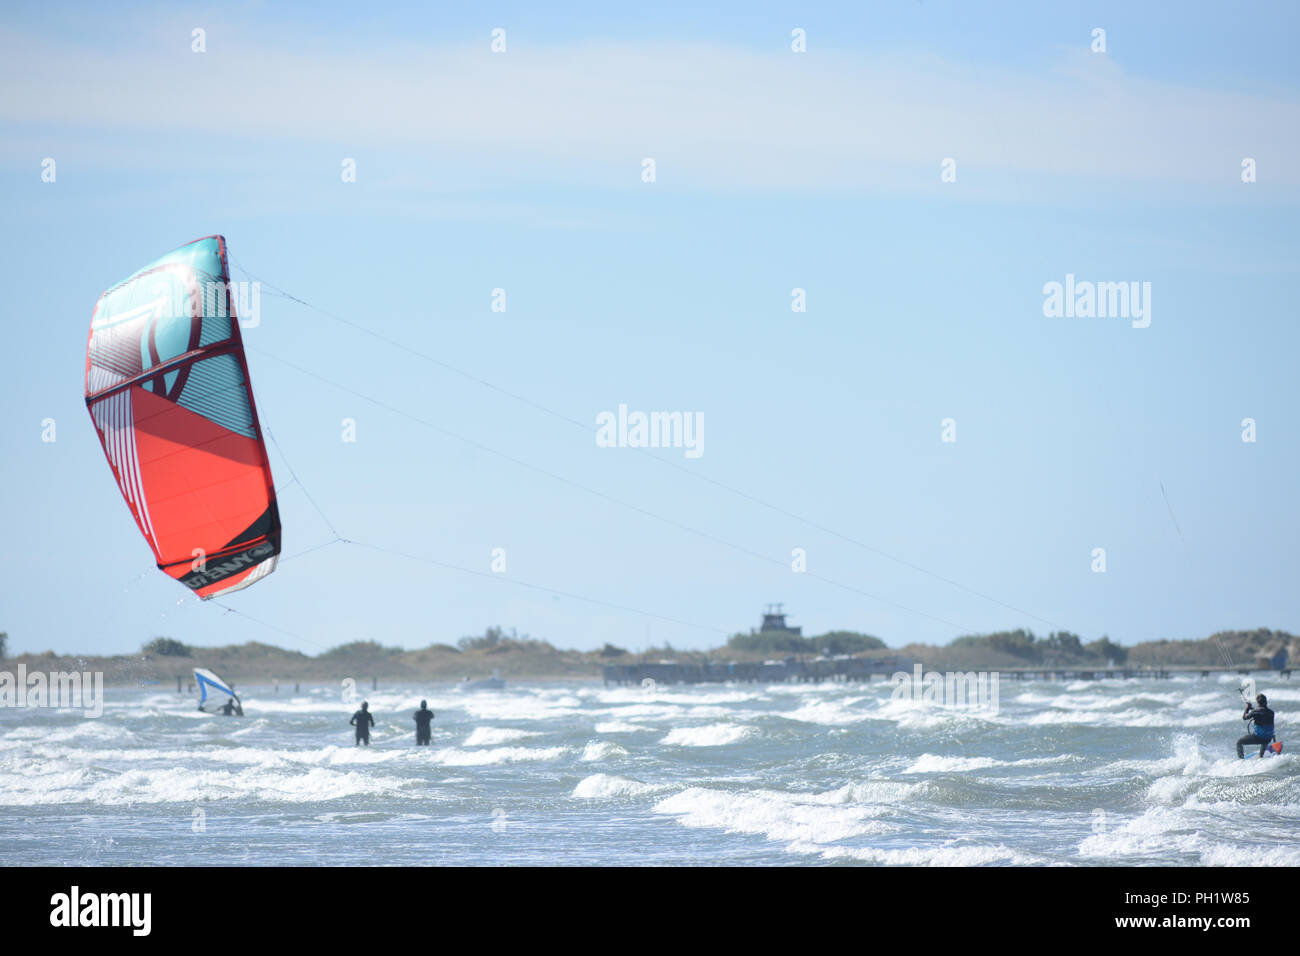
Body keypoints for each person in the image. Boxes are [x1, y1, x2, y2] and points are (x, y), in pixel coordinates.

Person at [1237, 693, 1276, 758]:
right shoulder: (1271, 712)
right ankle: (1261, 755)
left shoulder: (1255, 712)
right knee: (1265, 737)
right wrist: (1253, 710)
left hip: (1259, 738)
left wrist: (1247, 708)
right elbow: (1263, 714)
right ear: (1266, 702)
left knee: (1239, 742)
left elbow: (1244, 717)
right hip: (1268, 738)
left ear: (1258, 703)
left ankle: (1241, 760)